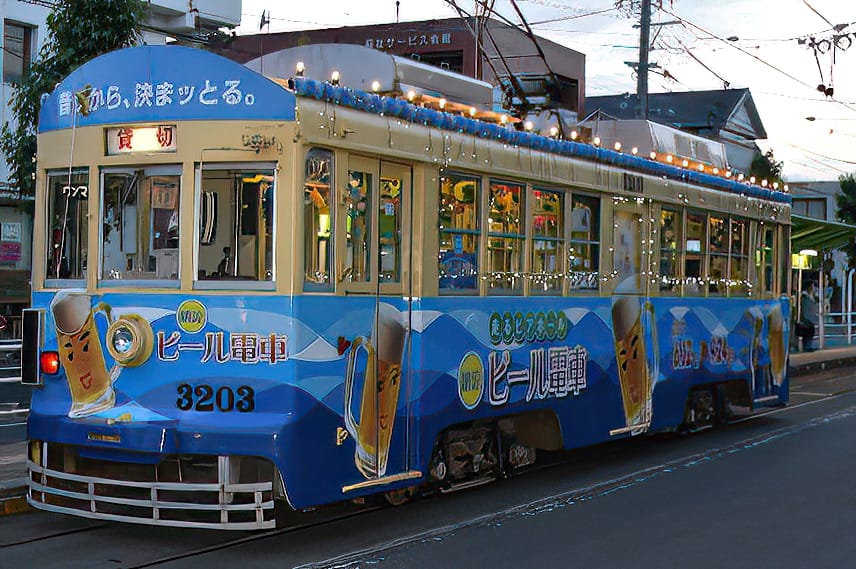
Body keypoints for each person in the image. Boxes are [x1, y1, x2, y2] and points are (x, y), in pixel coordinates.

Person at [799, 283, 819, 351]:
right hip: (806, 319)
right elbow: (807, 308)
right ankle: (807, 347)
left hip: (808, 318)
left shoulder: (809, 296)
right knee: (808, 332)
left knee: (810, 332)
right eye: (813, 287)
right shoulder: (805, 297)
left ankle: (808, 346)